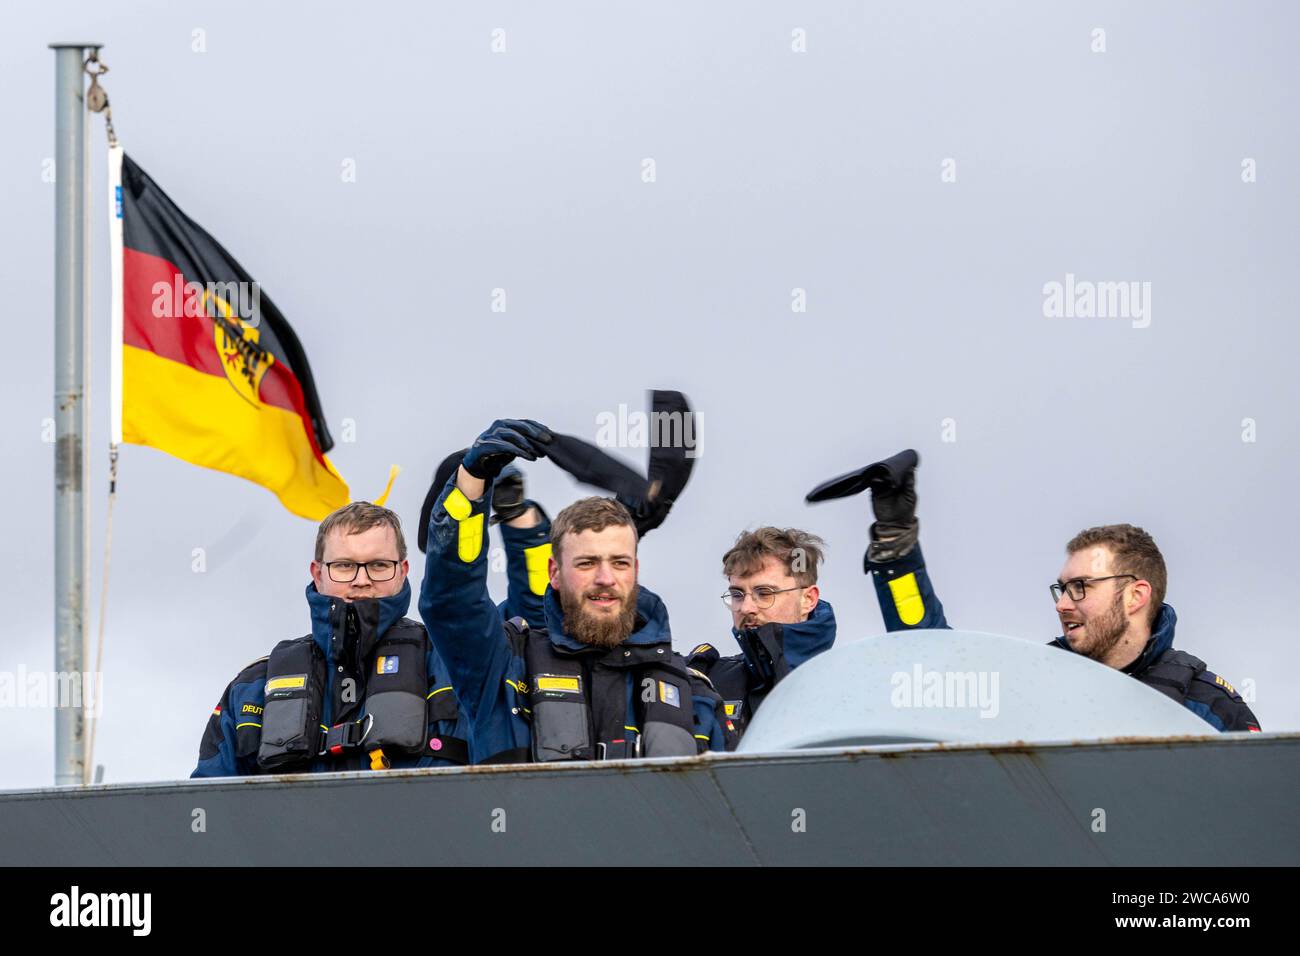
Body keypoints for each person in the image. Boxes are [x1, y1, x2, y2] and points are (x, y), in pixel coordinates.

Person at [831, 451, 1261, 733]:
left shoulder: (1209, 707)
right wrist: (896, 545)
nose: (1061, 604)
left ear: (1136, 595)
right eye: (1061, 588)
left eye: (1080, 588)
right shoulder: (1029, 684)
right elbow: (927, 658)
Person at [419, 419, 734, 763]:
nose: (605, 577)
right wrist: (471, 481)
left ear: (636, 571)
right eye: (586, 563)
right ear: (554, 573)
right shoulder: (502, 667)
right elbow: (452, 600)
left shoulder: (691, 691)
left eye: (619, 563)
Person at [192, 502, 473, 777]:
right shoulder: (252, 686)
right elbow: (208, 804)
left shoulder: (455, 668)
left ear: (403, 571)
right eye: (344, 565)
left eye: (378, 565)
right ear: (317, 573)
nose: (361, 580)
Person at [687, 528, 837, 742]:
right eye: (737, 594)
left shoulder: (847, 681)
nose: (747, 607)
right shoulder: (704, 681)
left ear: (808, 599)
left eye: (764, 593)